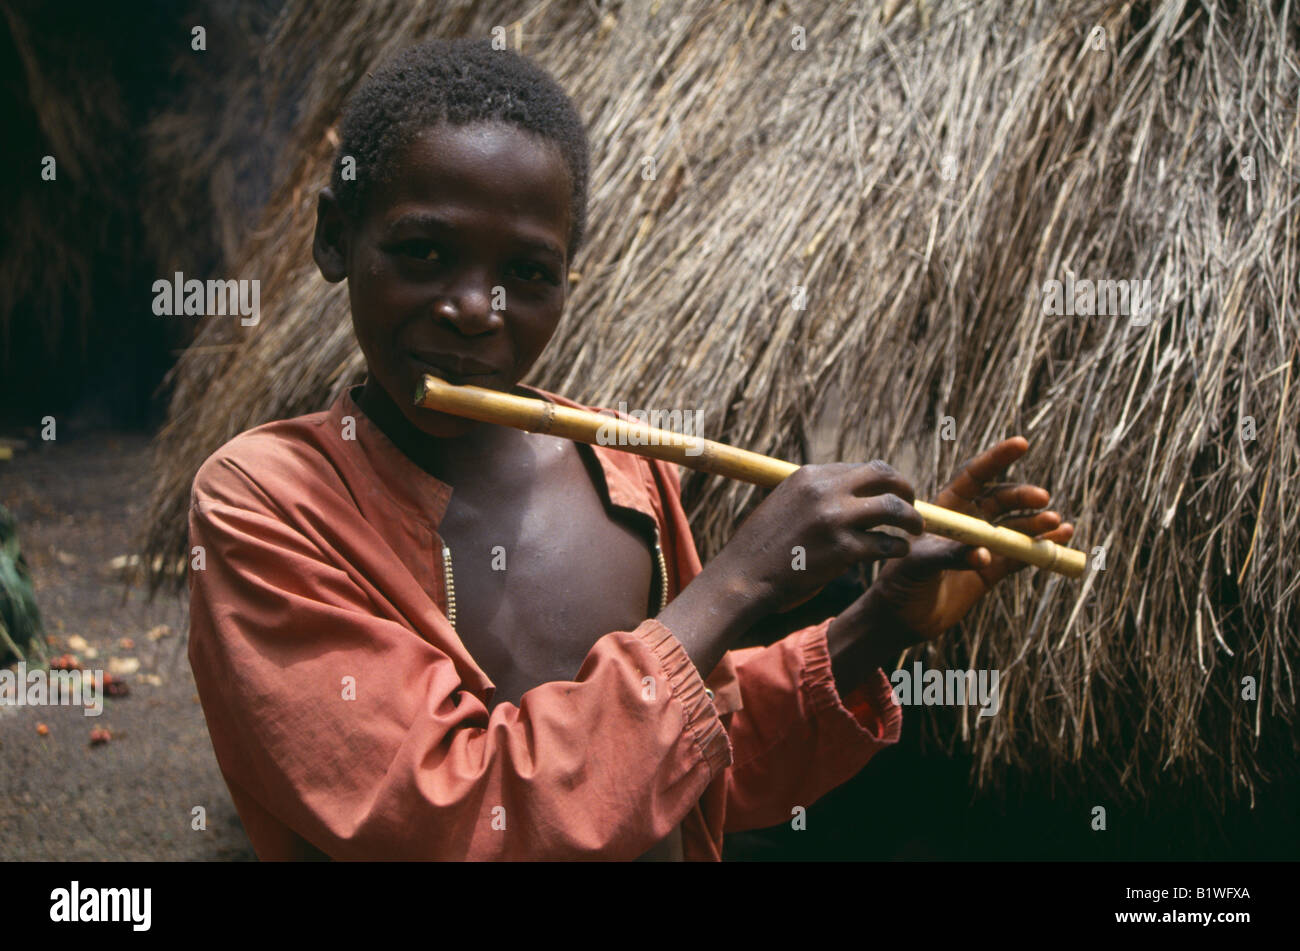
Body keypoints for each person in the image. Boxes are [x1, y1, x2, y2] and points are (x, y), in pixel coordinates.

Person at [187, 38, 1072, 861]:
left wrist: (877, 623)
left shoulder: (623, 471)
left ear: (569, 275)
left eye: (526, 273)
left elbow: (696, 759)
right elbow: (448, 813)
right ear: (336, 236)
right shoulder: (264, 503)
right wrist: (738, 582)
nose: (474, 308)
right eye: (423, 251)